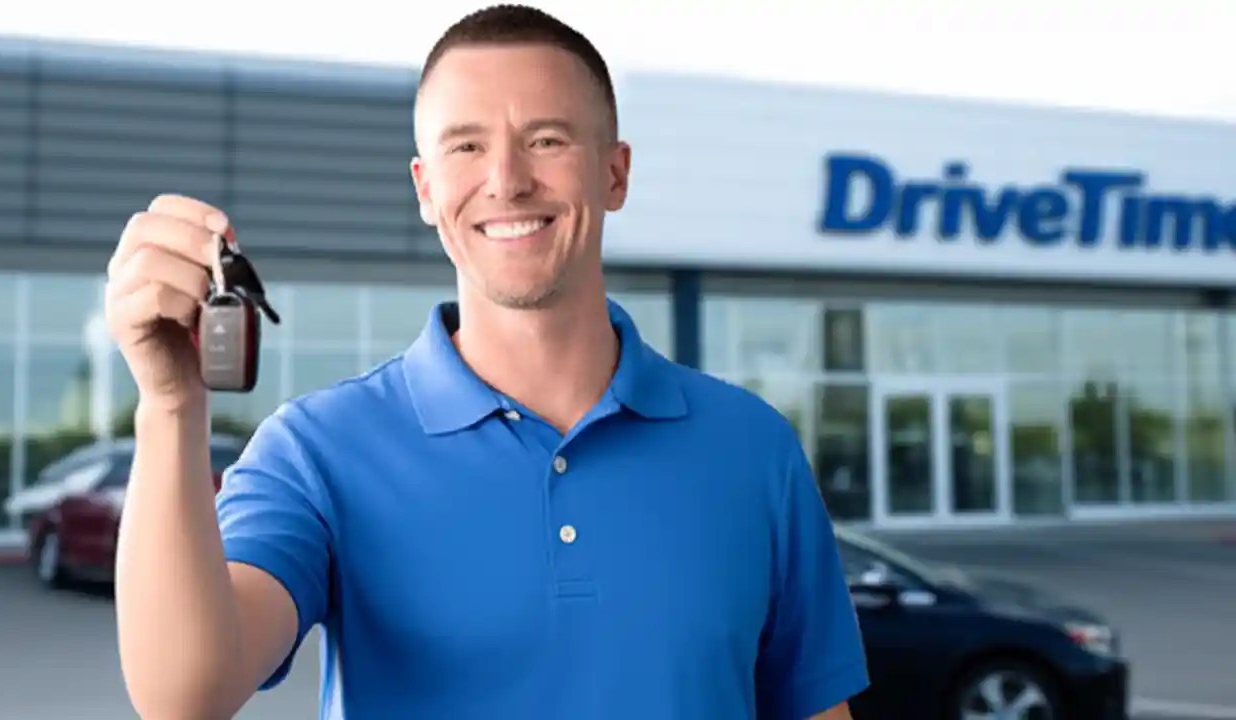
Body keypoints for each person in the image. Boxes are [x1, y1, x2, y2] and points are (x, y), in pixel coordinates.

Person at [104, 5, 870, 719]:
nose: (507, 180)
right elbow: (185, 693)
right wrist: (170, 406)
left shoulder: (751, 447)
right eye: (467, 145)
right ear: (426, 188)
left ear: (615, 173)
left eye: (546, 140)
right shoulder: (316, 450)